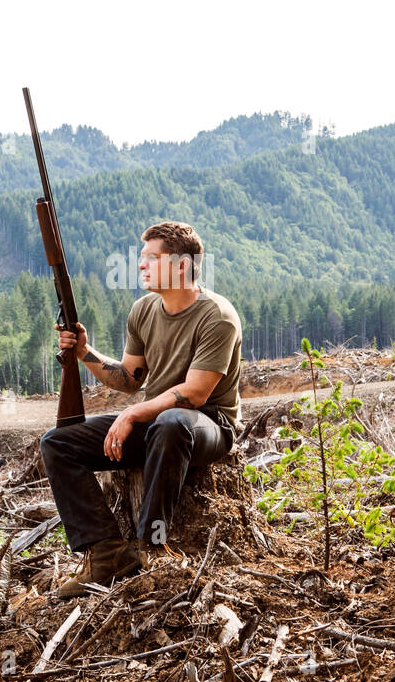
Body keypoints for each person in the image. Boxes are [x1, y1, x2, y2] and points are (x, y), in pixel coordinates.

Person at [39, 221, 243, 598]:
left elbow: (196, 394)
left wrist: (132, 414)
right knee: (57, 443)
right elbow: (129, 378)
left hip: (209, 425)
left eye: (151, 258)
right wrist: (84, 352)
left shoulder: (217, 315)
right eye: (141, 257)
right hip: (159, 423)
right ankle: (107, 552)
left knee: (172, 422)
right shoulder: (144, 310)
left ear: (182, 266)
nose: (141, 265)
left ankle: (152, 544)